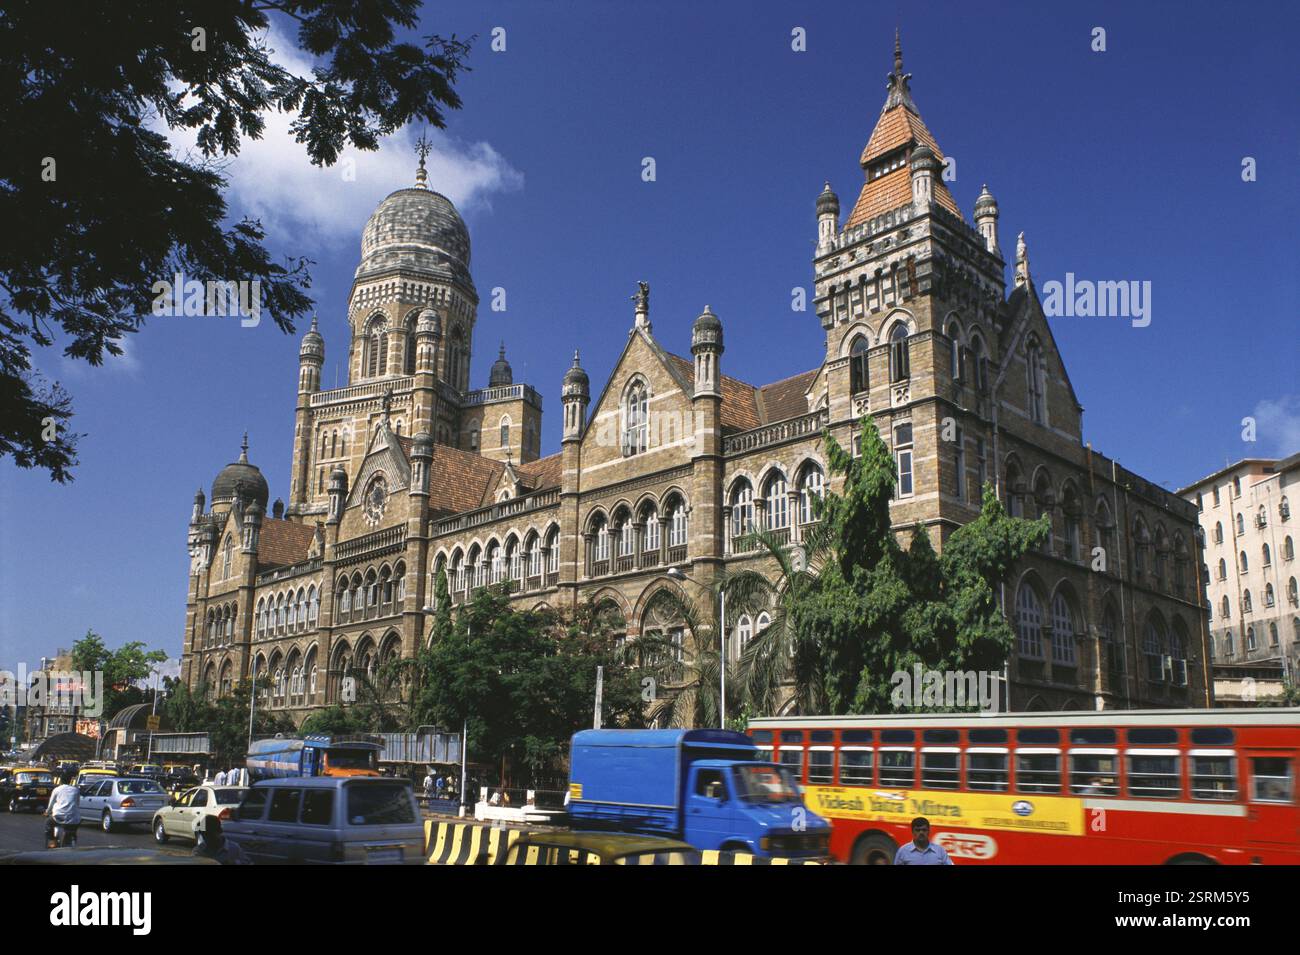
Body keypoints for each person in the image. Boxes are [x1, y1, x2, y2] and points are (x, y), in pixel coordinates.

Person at [44, 770, 81, 848]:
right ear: (70, 781)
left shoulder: (57, 790)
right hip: (74, 818)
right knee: (73, 830)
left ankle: (52, 841)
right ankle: (73, 838)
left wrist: (47, 812)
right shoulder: (76, 790)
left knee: (48, 823)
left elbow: (51, 804)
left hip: (58, 816)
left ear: (60, 780)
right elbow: (77, 804)